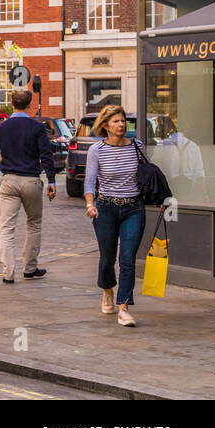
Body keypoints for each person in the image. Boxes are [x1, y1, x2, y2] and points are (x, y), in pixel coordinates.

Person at [0, 88, 56, 284]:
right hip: (31, 180)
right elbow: (46, 155)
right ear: (30, 105)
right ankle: (30, 268)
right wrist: (52, 181)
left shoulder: (0, 128)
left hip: (9, 180)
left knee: (6, 228)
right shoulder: (37, 127)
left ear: (12, 104)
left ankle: (8, 273)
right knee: (34, 224)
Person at [84, 106, 146, 326]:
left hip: (134, 208)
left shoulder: (137, 146)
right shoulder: (97, 150)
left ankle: (124, 307)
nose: (121, 125)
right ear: (105, 126)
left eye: (123, 121)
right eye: (116, 122)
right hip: (106, 208)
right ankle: (108, 290)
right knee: (107, 258)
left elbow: (146, 175)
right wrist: (90, 204)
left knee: (128, 258)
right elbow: (90, 181)